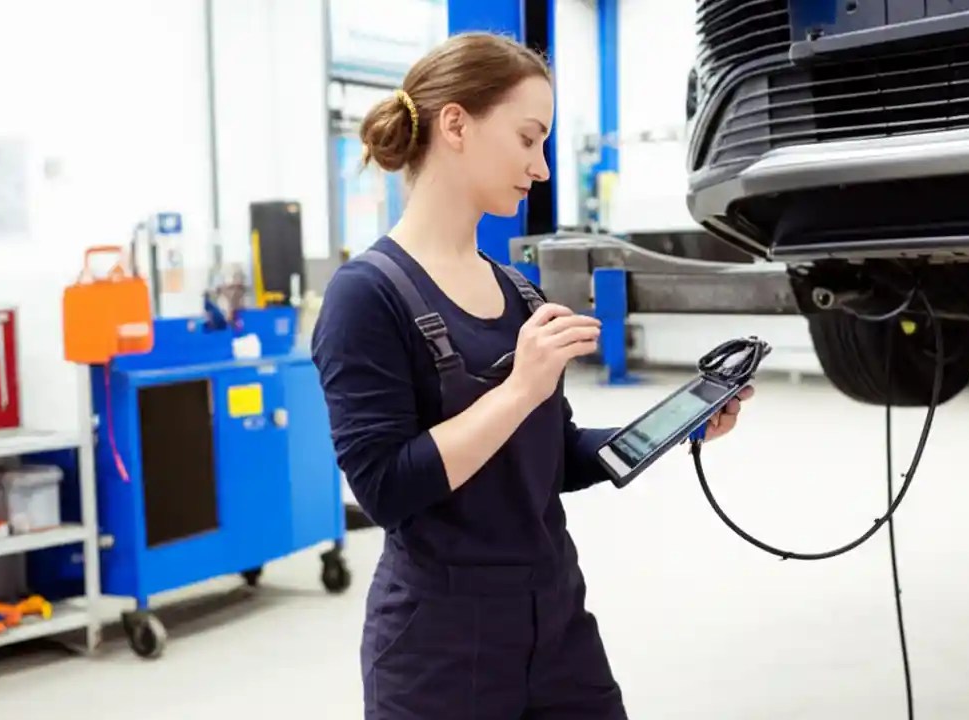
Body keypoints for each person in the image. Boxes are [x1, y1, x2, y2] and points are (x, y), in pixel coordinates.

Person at [310, 31, 754, 720]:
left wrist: (673, 427)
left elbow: (552, 453)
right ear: (455, 124)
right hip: (440, 647)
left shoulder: (521, 294)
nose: (540, 167)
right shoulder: (366, 296)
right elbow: (385, 488)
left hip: (557, 623)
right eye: (527, 138)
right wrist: (519, 387)